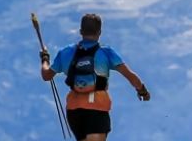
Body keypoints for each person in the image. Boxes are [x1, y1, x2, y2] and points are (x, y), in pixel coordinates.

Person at [39, 12, 150, 140]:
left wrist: (45, 59)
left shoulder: (66, 52)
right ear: (99, 32)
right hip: (97, 107)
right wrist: (142, 90)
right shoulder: (106, 52)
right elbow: (130, 75)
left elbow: (46, 75)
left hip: (74, 110)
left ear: (81, 31)